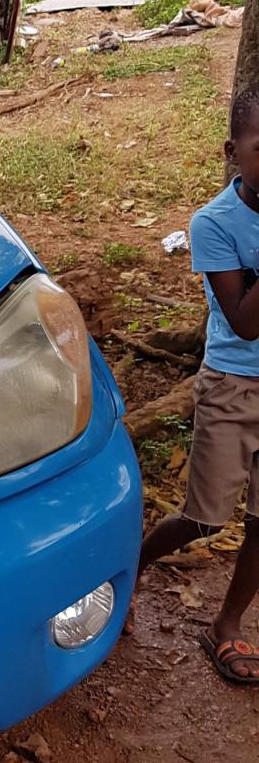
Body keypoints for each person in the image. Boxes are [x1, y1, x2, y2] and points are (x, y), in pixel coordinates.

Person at [135, 87, 259, 682]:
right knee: (206, 516)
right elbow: (245, 320)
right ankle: (131, 562)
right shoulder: (213, 224)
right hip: (234, 386)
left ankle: (226, 628)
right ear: (233, 151)